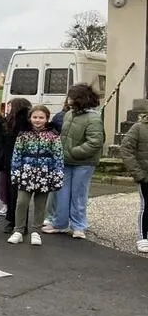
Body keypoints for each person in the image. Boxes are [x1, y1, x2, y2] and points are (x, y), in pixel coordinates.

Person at [42, 83, 105, 240]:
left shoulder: (93, 118)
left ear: (79, 98)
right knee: (61, 192)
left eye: (71, 96)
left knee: (78, 194)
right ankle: (60, 223)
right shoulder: (69, 114)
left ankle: (79, 226)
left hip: (84, 163)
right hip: (66, 160)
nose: (68, 99)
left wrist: (72, 152)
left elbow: (95, 142)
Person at [7, 105, 63, 246]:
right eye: (35, 117)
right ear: (30, 118)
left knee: (40, 204)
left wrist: (57, 175)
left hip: (45, 174)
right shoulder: (23, 134)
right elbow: (16, 155)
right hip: (26, 172)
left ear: (46, 119)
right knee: (21, 202)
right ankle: (18, 230)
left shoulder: (53, 135)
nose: (38, 120)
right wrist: (15, 172)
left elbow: (58, 157)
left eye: (41, 117)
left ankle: (36, 231)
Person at [0, 98, 32, 234]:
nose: (8, 108)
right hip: (9, 162)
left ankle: (19, 223)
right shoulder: (8, 122)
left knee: (18, 196)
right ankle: (13, 221)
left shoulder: (23, 124)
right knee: (11, 194)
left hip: (19, 163)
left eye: (10, 106)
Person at [119, 109, 148, 253]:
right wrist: (138, 173)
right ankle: (143, 237)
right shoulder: (139, 127)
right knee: (146, 206)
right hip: (145, 175)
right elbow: (126, 149)